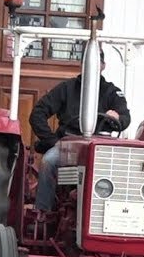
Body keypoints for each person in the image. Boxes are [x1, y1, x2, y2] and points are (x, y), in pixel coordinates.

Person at [28, 48, 130, 211]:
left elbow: (125, 118)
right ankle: (43, 211)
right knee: (48, 161)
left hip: (101, 148)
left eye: (97, 63)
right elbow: (37, 113)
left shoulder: (112, 92)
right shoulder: (66, 88)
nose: (92, 67)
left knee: (123, 169)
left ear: (103, 65)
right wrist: (53, 141)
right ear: (83, 65)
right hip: (69, 146)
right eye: (88, 63)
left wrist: (117, 118)